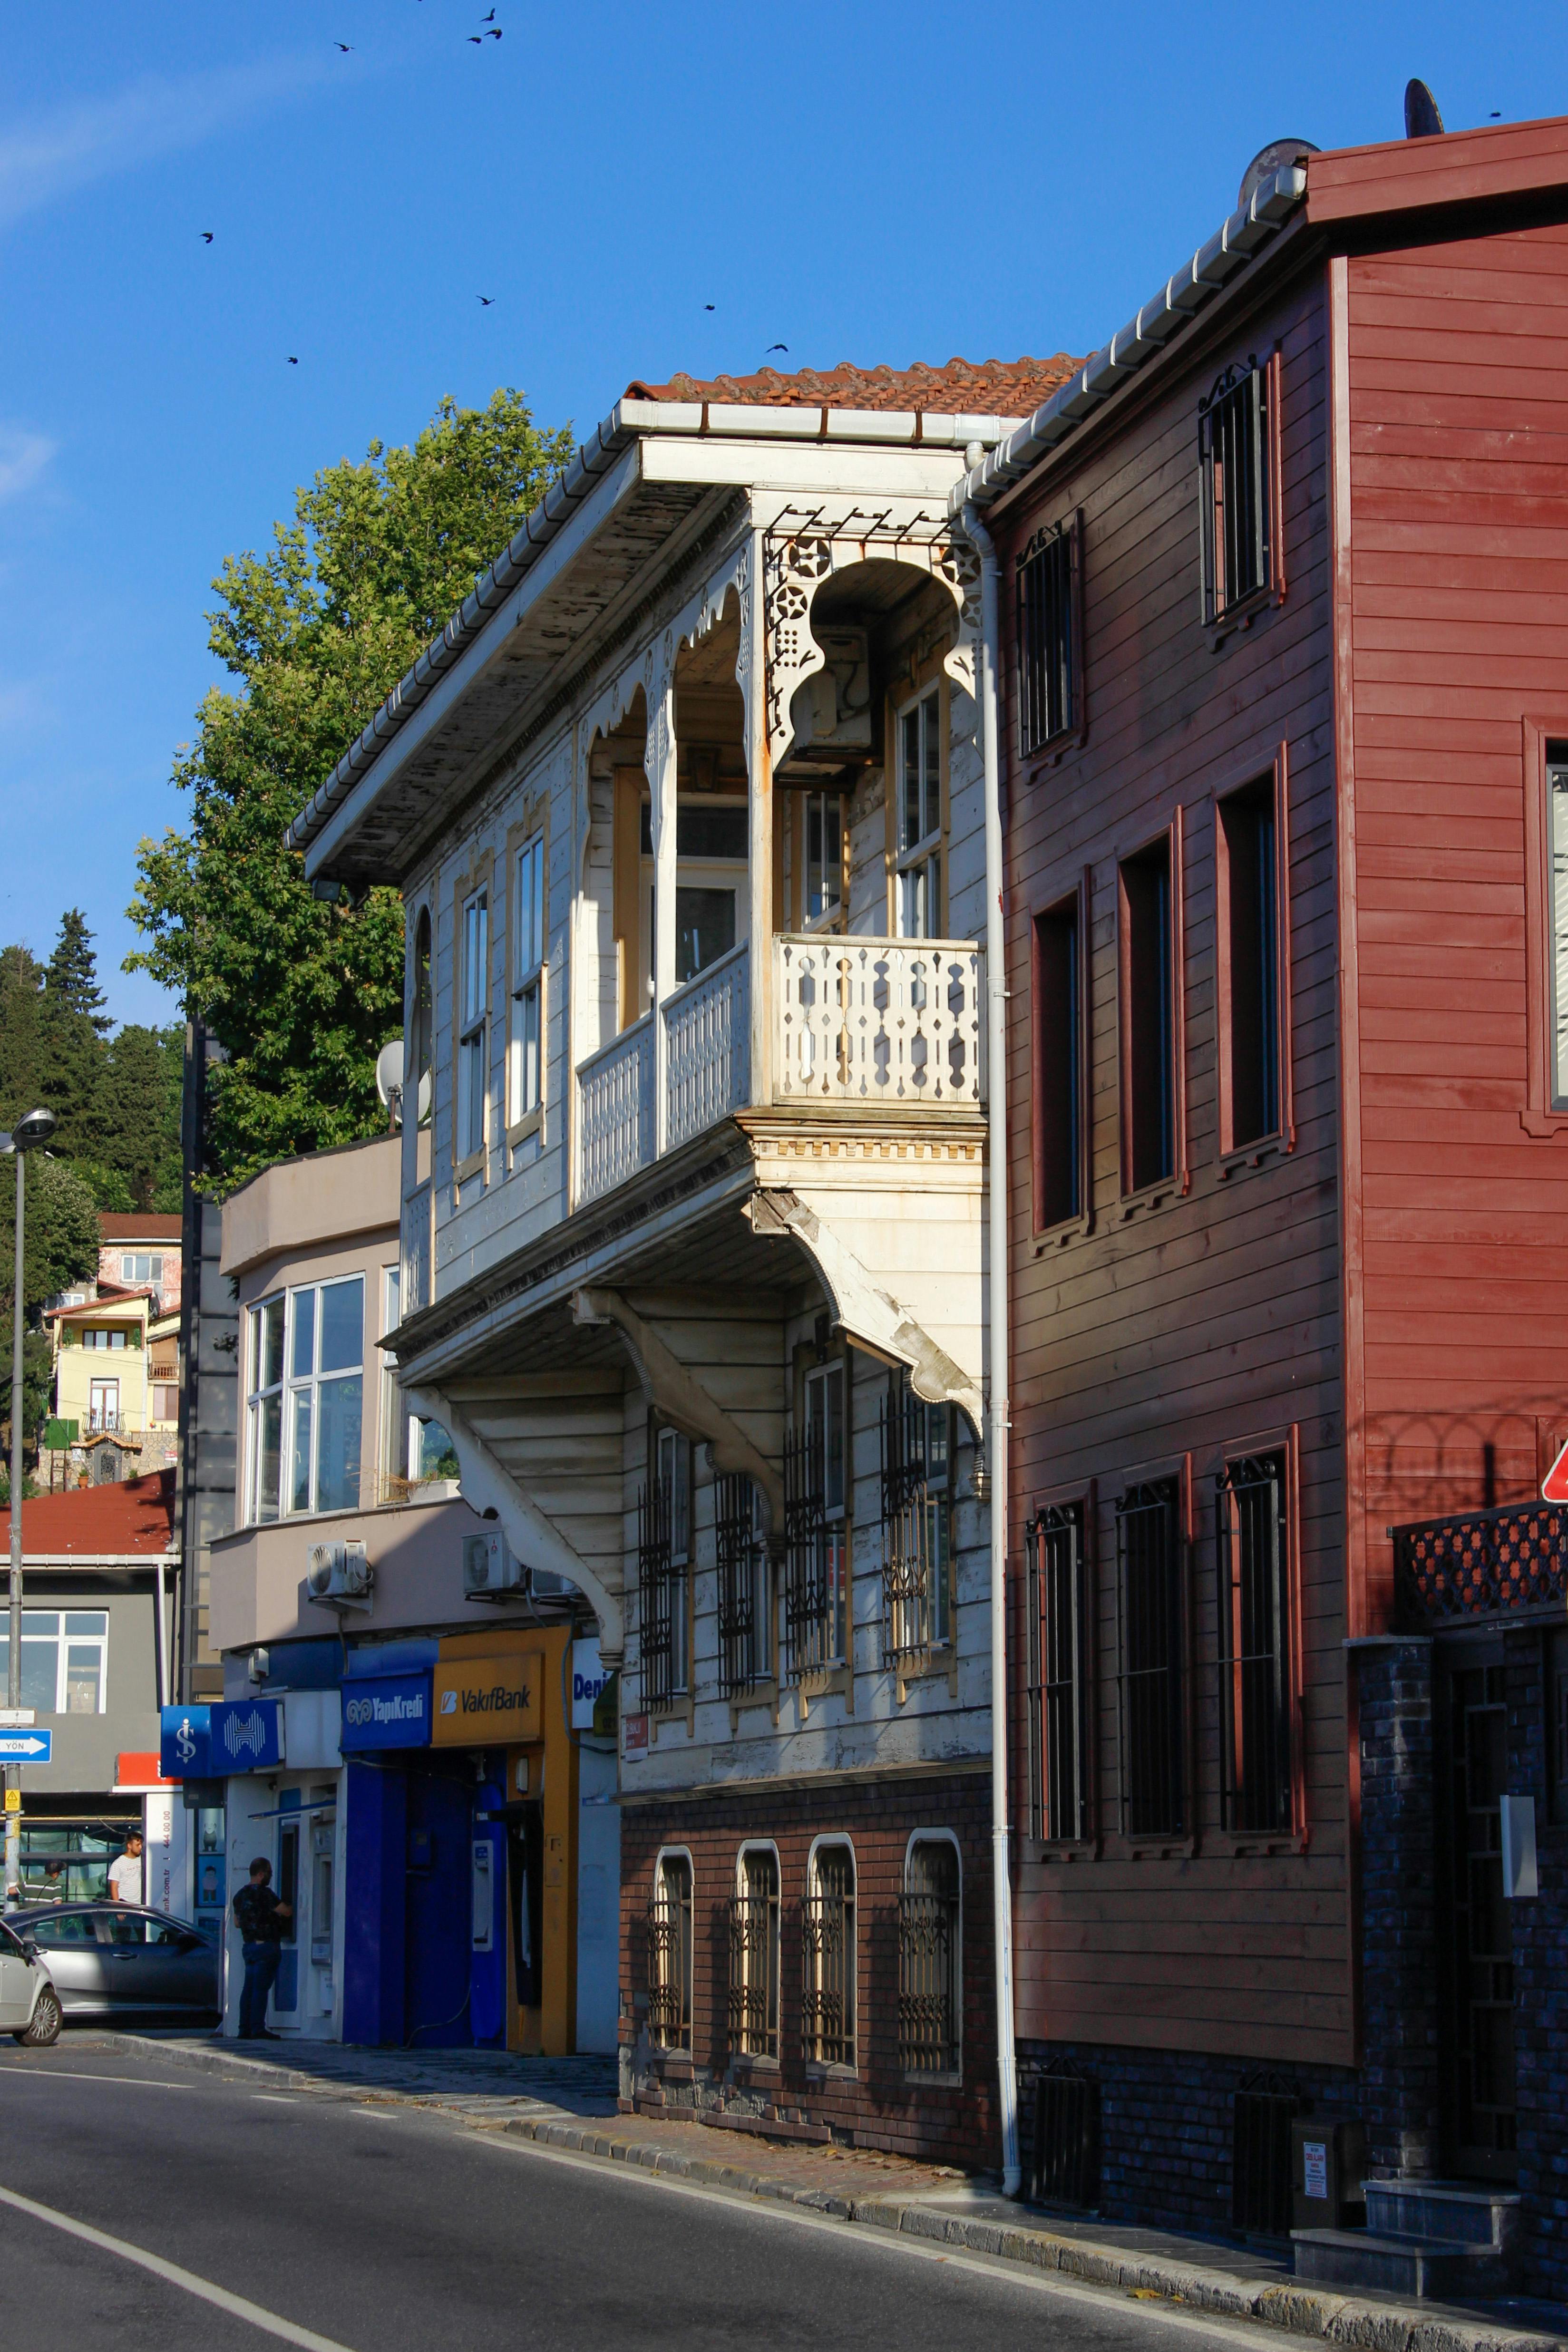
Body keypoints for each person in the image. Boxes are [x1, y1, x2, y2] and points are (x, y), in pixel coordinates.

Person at [233, 1857, 291, 2040]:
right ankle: (258, 2028)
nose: (270, 1877)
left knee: (248, 1988)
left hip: (249, 1947)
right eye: (269, 1874)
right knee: (260, 1989)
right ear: (260, 1874)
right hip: (266, 1946)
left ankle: (244, 2029)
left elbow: (236, 1923)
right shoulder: (265, 1894)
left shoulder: (239, 1896)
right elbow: (286, 1912)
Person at [106, 1832, 143, 1906]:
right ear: (129, 1846)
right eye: (138, 1845)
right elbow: (114, 1887)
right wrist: (118, 1908)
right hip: (125, 1904)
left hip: (140, 1904)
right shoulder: (118, 1864)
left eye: (141, 1844)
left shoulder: (143, 1860)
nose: (141, 1847)